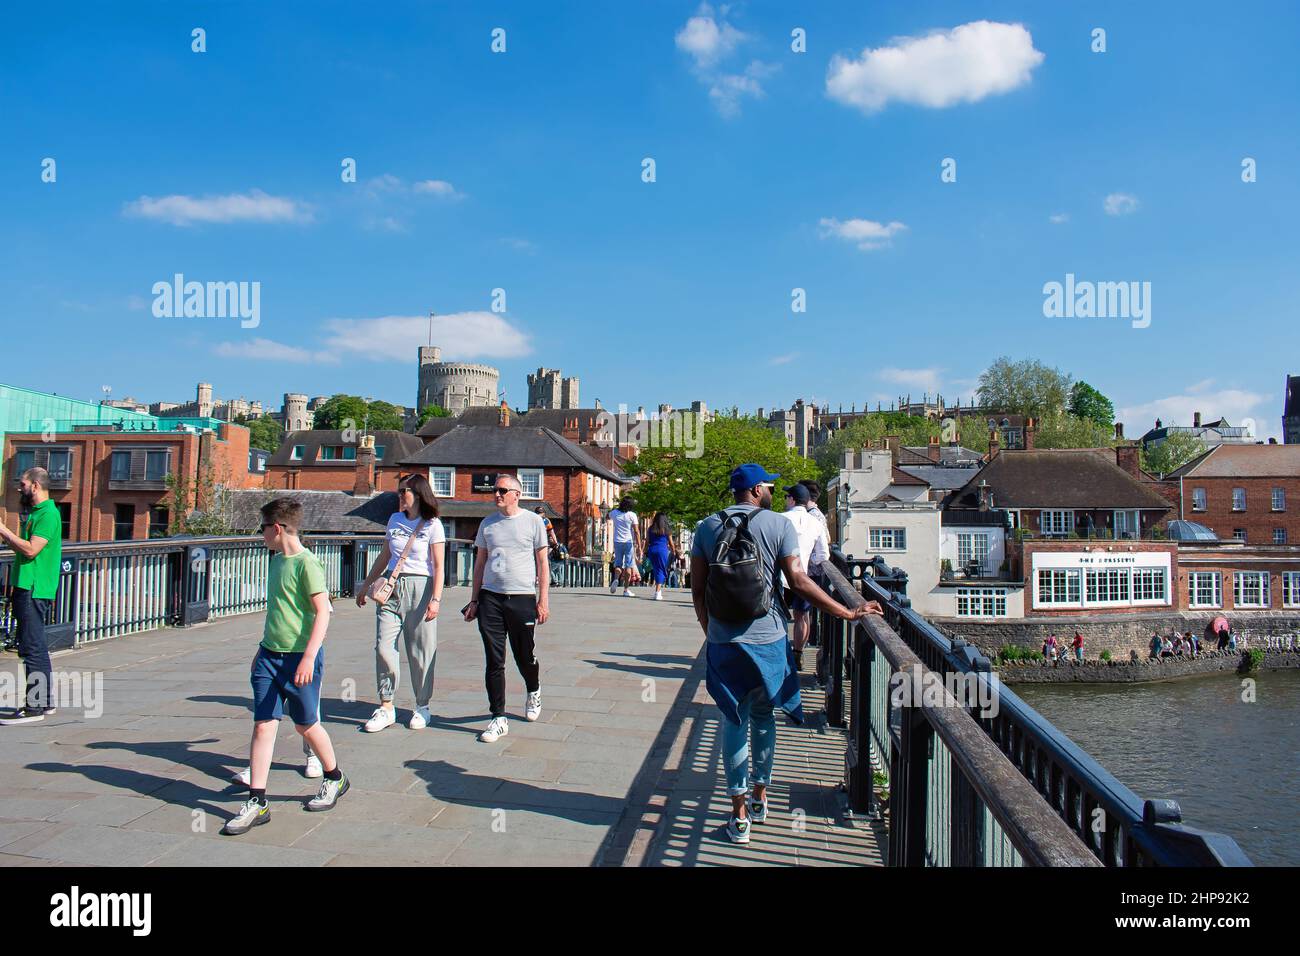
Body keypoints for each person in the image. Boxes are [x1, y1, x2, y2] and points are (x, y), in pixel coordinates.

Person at [691, 463, 882, 846]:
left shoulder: (706, 527)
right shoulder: (778, 526)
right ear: (758, 489)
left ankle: (738, 815)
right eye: (770, 488)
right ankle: (761, 798)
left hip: (724, 642)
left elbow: (698, 589)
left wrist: (711, 632)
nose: (774, 493)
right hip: (770, 638)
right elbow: (799, 580)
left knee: (733, 720)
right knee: (763, 717)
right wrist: (846, 611)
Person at [223, 498, 348, 836]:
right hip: (269, 657)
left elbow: (323, 612)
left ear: (276, 528)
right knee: (264, 725)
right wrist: (260, 650)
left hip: (299, 658)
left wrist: (308, 657)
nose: (260, 535)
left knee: (305, 725)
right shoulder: (275, 561)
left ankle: (335, 778)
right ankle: (257, 800)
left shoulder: (307, 564)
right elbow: (277, 613)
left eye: (262, 529)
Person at [355, 474, 445, 732]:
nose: (399, 495)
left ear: (417, 494)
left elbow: (439, 566)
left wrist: (435, 599)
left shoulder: (432, 525)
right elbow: (385, 555)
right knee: (383, 646)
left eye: (403, 491)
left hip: (421, 587)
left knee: (420, 650)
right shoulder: (394, 520)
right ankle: (386, 705)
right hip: (391, 587)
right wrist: (366, 584)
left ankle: (422, 705)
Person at [464, 474, 549, 742]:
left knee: (524, 656)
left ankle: (533, 689)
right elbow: (479, 565)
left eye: (502, 490)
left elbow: (543, 564)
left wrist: (543, 599)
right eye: (495, 490)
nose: (497, 494)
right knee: (494, 659)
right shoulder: (487, 525)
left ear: (517, 494)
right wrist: (474, 599)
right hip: (491, 598)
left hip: (522, 597)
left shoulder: (533, 522)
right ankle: (498, 717)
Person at [0, 468, 62, 724]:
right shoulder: (38, 513)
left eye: (22, 484)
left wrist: (4, 531)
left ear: (35, 486)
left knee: (32, 647)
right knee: (33, 646)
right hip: (29, 586)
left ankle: (35, 707)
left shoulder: (47, 514)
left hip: (34, 588)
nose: (19, 488)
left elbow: (31, 550)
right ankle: (44, 702)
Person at [781, 483, 829, 672]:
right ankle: (798, 652)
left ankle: (778, 650)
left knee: (778, 615)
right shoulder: (816, 523)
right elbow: (823, 555)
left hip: (782, 577)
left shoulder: (781, 519)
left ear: (792, 499)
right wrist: (808, 562)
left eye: (787, 498)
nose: (785, 501)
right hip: (803, 576)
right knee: (802, 616)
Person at [608, 497, 641, 597]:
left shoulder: (614, 513)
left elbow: (607, 517)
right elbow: (636, 531)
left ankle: (616, 579)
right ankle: (626, 590)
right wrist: (639, 546)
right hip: (628, 542)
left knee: (618, 564)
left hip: (617, 542)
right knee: (629, 566)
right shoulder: (632, 515)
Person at [645, 512, 678, 601]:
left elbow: (647, 541)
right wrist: (673, 551)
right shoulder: (667, 529)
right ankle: (657, 592)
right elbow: (671, 543)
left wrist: (644, 551)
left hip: (652, 550)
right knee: (661, 570)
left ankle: (658, 591)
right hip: (662, 551)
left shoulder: (650, 529)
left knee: (656, 569)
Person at [535, 506, 566, 587]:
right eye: (539, 513)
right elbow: (552, 533)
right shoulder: (545, 520)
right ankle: (540, 578)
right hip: (539, 543)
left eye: (540, 513)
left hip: (541, 544)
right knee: (542, 561)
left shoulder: (541, 520)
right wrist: (556, 543)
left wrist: (556, 544)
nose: (539, 515)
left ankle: (539, 578)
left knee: (540, 561)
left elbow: (551, 533)